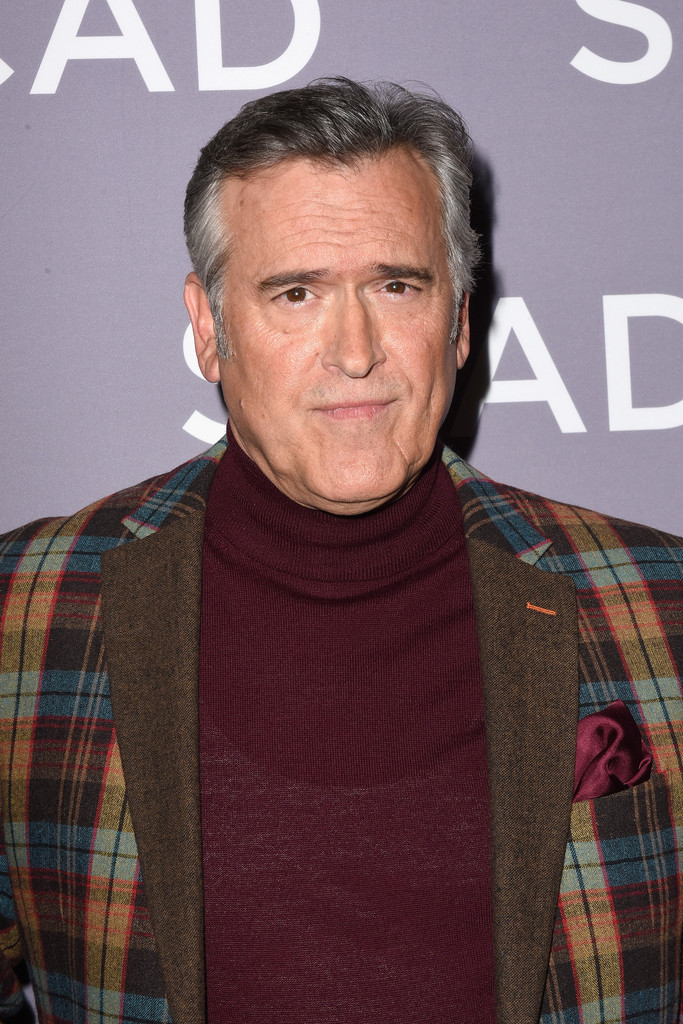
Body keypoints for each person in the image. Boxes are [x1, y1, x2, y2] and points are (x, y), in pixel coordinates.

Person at [0, 77, 681, 1024]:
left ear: (457, 320)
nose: (355, 351)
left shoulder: (660, 602)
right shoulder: (24, 611)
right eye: (296, 292)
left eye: (396, 286)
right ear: (208, 328)